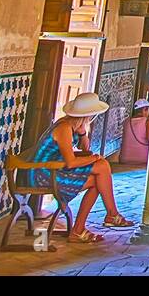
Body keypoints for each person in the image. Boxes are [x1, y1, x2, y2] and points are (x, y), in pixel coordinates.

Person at [27, 93, 134, 242]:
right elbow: (71, 162)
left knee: (99, 181)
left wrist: (83, 132)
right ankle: (110, 215)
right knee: (102, 166)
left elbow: (85, 150)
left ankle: (83, 228)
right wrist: (95, 158)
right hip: (43, 174)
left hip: (55, 170)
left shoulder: (74, 127)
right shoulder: (64, 127)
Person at [118, 98, 149, 165]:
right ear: (145, 109)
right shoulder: (147, 121)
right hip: (142, 159)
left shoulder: (126, 121)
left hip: (124, 159)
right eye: (148, 109)